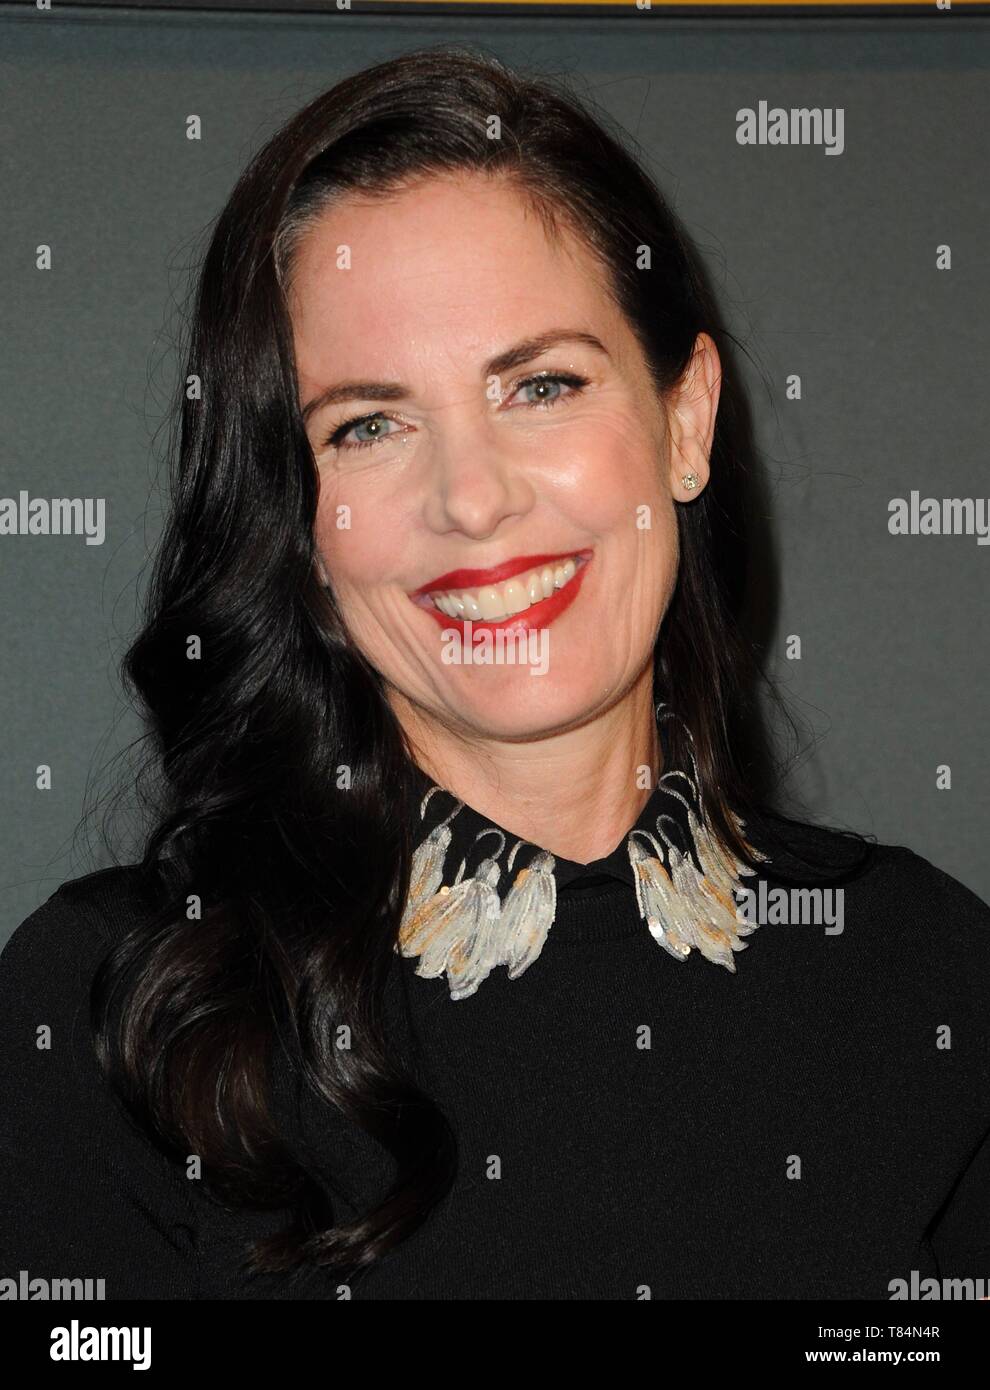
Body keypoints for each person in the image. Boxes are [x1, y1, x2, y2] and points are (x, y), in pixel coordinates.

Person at [2, 45, 988, 1303]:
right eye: (369, 425)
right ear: (297, 528)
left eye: (541, 385)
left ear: (684, 422)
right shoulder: (117, 1011)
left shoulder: (927, 974)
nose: (472, 499)